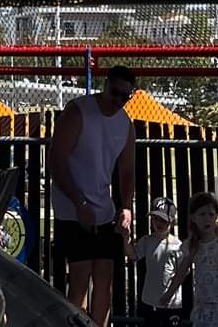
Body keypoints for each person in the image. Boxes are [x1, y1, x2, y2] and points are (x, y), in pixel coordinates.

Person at [47, 66, 137, 326]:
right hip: (71, 207)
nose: (118, 101)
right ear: (105, 84)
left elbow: (127, 170)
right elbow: (55, 161)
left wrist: (126, 207)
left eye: (125, 97)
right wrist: (79, 202)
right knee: (79, 280)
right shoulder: (78, 111)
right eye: (115, 93)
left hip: (103, 209)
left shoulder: (125, 124)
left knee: (105, 279)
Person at [167, 192, 218, 326]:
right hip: (204, 305)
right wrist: (168, 294)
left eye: (211, 214)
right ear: (193, 218)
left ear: (217, 217)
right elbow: (181, 272)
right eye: (202, 214)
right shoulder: (193, 245)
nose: (207, 219)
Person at [128, 194, 182, 322]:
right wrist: (126, 237)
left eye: (163, 220)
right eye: (156, 219)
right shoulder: (147, 241)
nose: (159, 223)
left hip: (171, 304)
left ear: (172, 222)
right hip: (149, 301)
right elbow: (132, 255)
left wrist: (169, 294)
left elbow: (182, 273)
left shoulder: (177, 246)